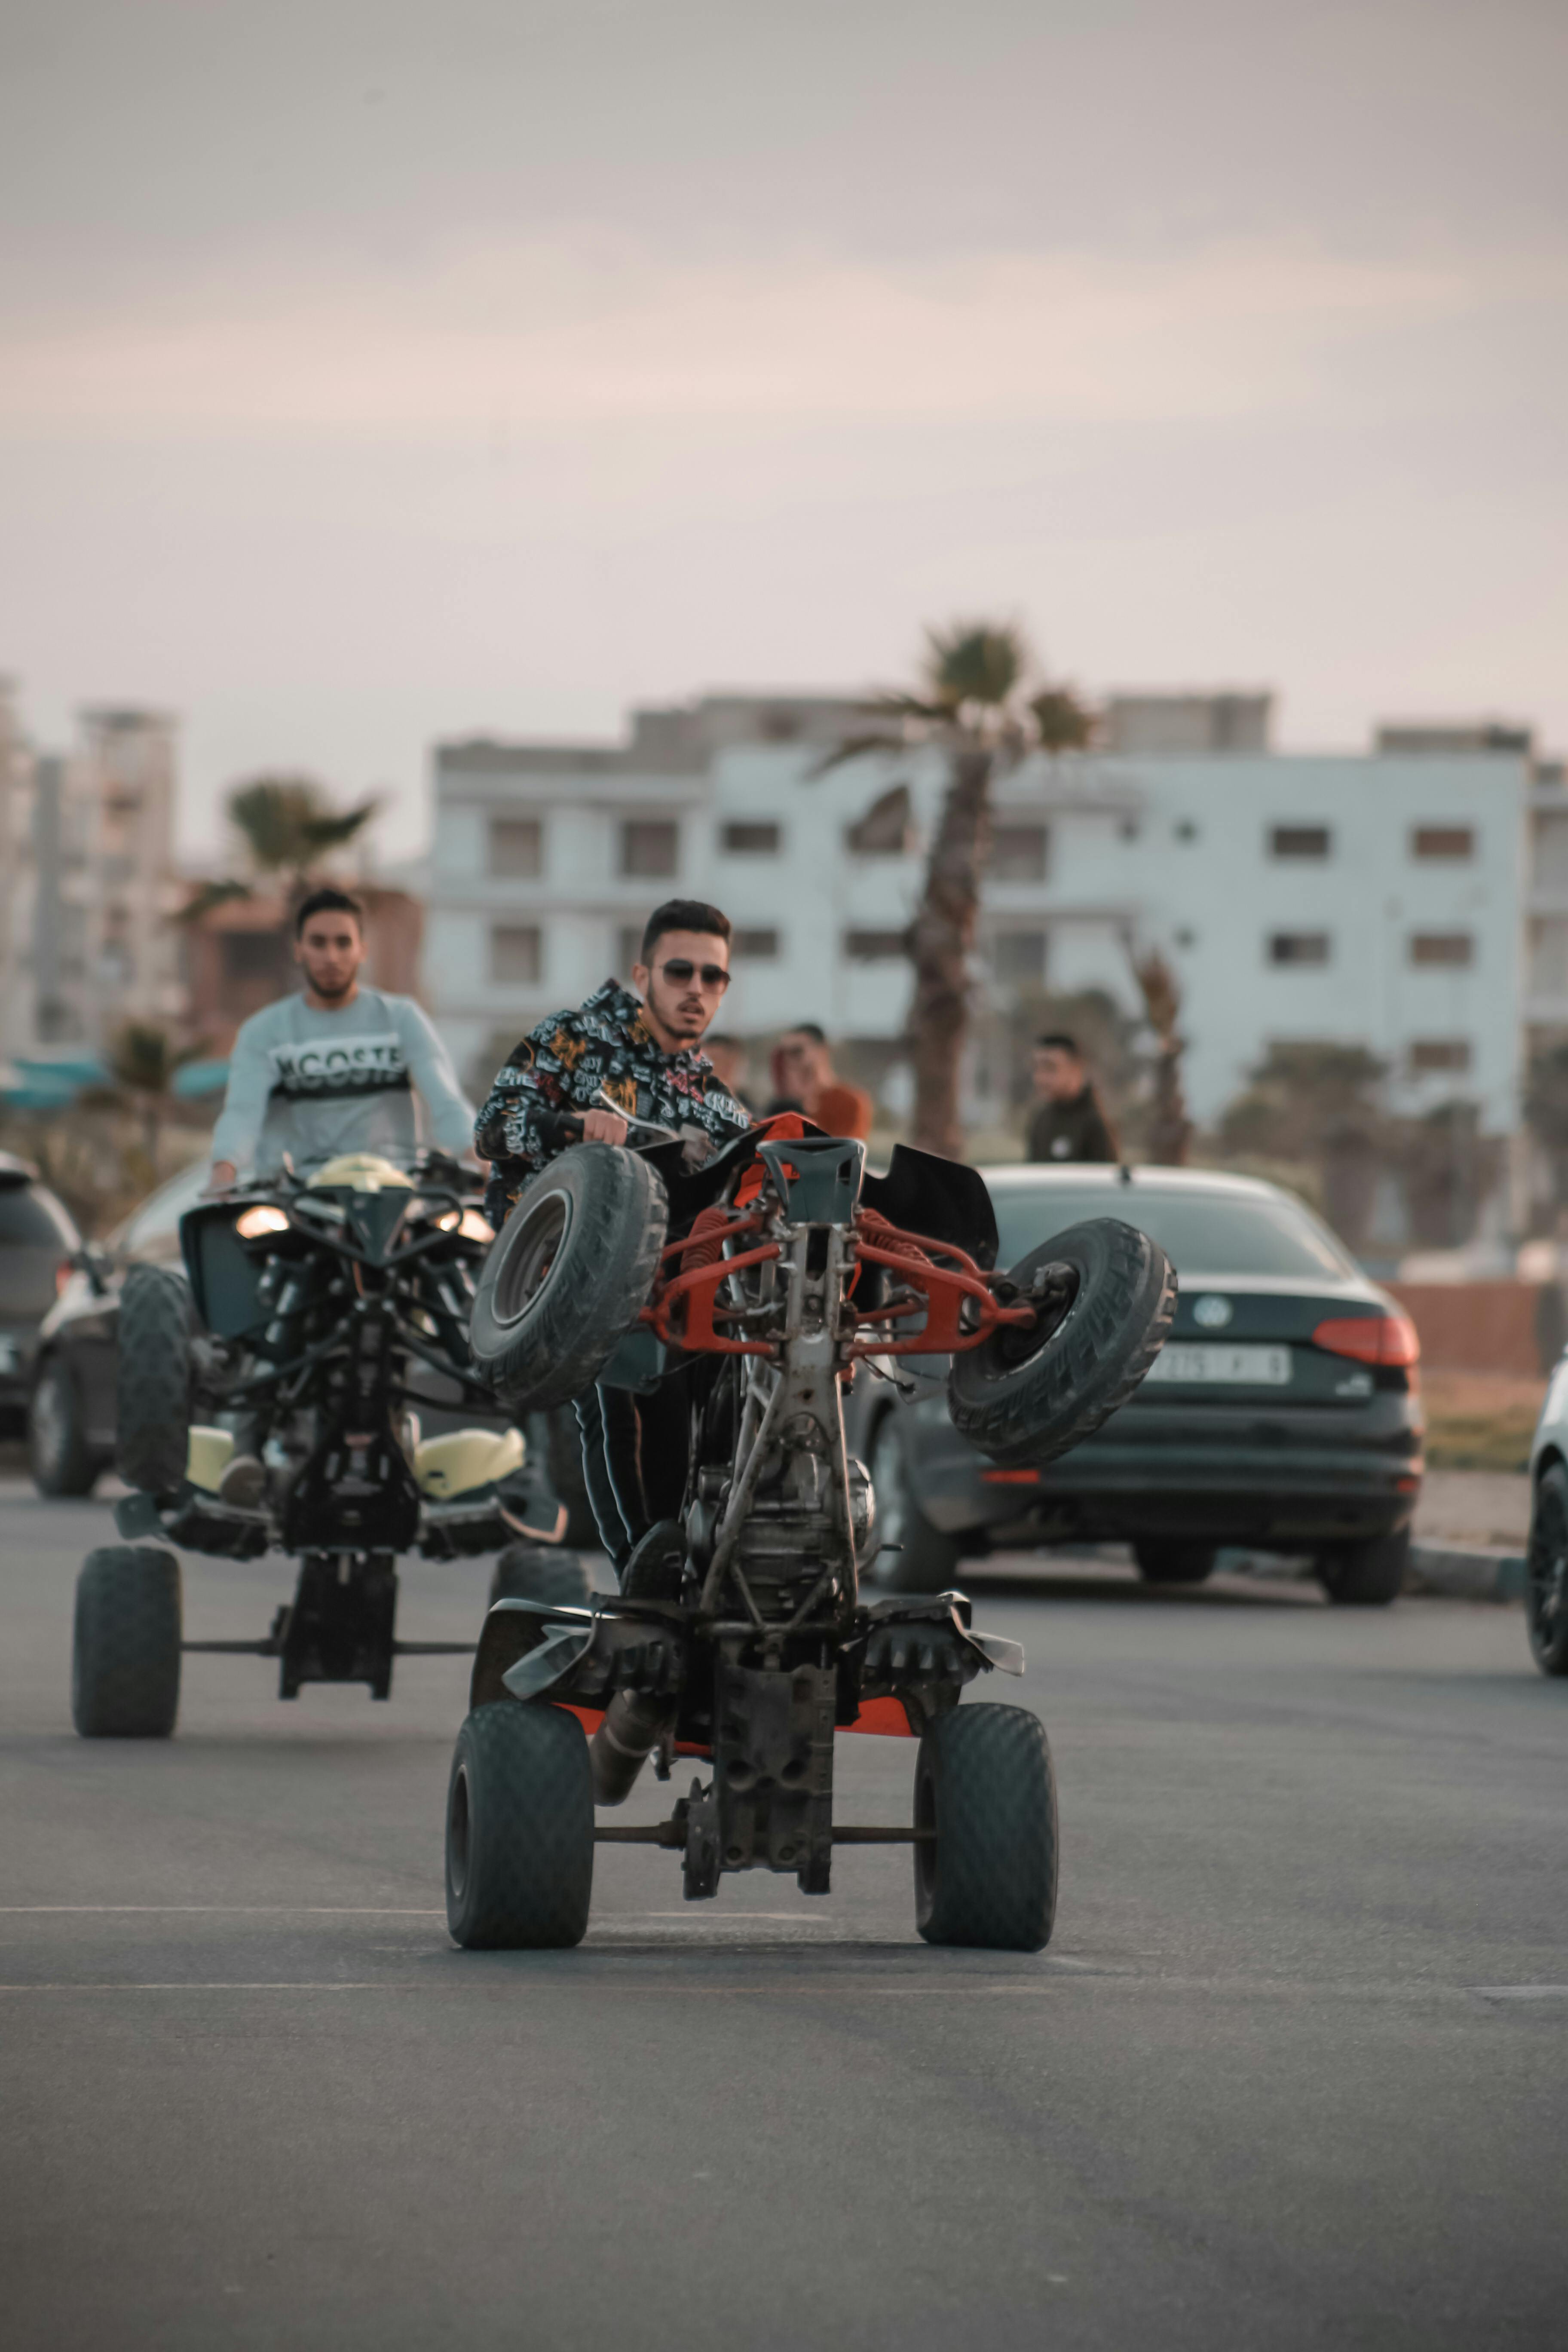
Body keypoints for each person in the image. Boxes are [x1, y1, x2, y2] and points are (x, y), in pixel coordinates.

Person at [474, 898, 752, 1584]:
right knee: (614, 1389)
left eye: (712, 977)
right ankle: (640, 1566)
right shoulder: (575, 1036)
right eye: (680, 971)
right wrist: (574, 1126)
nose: (696, 989)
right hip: (560, 1266)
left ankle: (697, 1557)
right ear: (643, 973)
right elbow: (491, 1126)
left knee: (704, 1392)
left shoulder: (715, 1099)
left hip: (673, 1281)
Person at [205, 885, 477, 1504]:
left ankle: (519, 1436)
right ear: (298, 949)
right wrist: (225, 1169)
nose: (331, 954)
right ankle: (243, 1448)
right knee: (279, 1300)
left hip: (396, 1201)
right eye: (319, 943)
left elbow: (443, 1095)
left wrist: (472, 1155)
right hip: (306, 1203)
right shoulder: (266, 1031)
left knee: (450, 1285)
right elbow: (243, 1111)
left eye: (343, 943)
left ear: (362, 949)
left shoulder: (400, 1018)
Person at [1026, 1031, 1119, 1164]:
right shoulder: (1041, 1119)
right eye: (1037, 1068)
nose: (1040, 1078)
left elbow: (1104, 1180)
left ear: (1076, 1068)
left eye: (1050, 1068)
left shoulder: (1096, 1122)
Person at [770, 1023, 873, 1142]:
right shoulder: (782, 1107)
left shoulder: (850, 1102)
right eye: (783, 1053)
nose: (789, 1060)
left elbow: (841, 1154)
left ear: (822, 1051)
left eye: (797, 1051)